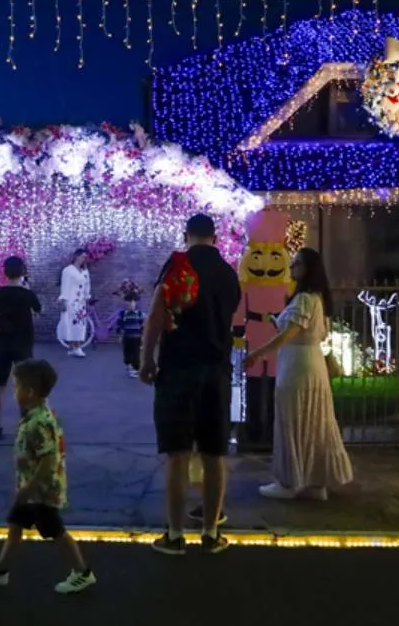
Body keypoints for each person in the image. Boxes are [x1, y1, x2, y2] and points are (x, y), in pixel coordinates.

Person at [140, 214, 241, 555]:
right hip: (216, 371)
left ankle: (174, 535)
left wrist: (147, 359)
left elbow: (156, 315)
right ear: (215, 238)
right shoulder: (228, 273)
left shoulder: (177, 267)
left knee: (178, 455)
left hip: (178, 370)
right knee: (214, 455)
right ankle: (211, 533)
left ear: (186, 236)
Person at [0, 359, 96, 595]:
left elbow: (48, 459)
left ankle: (82, 572)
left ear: (29, 392)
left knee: (55, 531)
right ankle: (1, 569)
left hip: (40, 493)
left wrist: (29, 488)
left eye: (16, 386)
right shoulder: (38, 415)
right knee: (16, 524)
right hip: (31, 489)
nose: (14, 391)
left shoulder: (38, 423)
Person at [244, 247, 353, 500]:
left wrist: (257, 353)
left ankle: (289, 482)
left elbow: (288, 334)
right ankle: (315, 482)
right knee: (314, 422)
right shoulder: (317, 299)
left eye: (296, 263)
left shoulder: (304, 299)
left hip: (297, 366)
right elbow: (315, 333)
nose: (291, 267)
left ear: (308, 269)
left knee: (292, 420)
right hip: (312, 364)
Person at [0, 256, 42, 440]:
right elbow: (39, 311)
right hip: (23, 344)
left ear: (5, 272)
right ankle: (24, 427)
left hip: (3, 344)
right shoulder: (28, 294)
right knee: (24, 385)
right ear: (23, 272)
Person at [57, 248, 92, 357]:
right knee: (71, 324)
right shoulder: (68, 270)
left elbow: (87, 285)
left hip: (81, 303)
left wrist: (87, 297)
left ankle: (78, 346)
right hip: (71, 301)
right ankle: (74, 347)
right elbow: (65, 286)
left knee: (81, 324)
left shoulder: (85, 271)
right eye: (82, 257)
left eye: (85, 257)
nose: (84, 259)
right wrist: (64, 300)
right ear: (76, 256)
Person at [111, 289, 145, 377]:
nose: (131, 304)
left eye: (133, 302)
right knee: (127, 352)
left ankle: (135, 369)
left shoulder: (139, 313)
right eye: (129, 302)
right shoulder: (123, 313)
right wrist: (119, 335)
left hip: (137, 337)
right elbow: (119, 324)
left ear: (136, 303)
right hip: (127, 336)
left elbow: (142, 325)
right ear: (126, 303)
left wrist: (143, 336)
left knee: (136, 353)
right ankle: (129, 366)